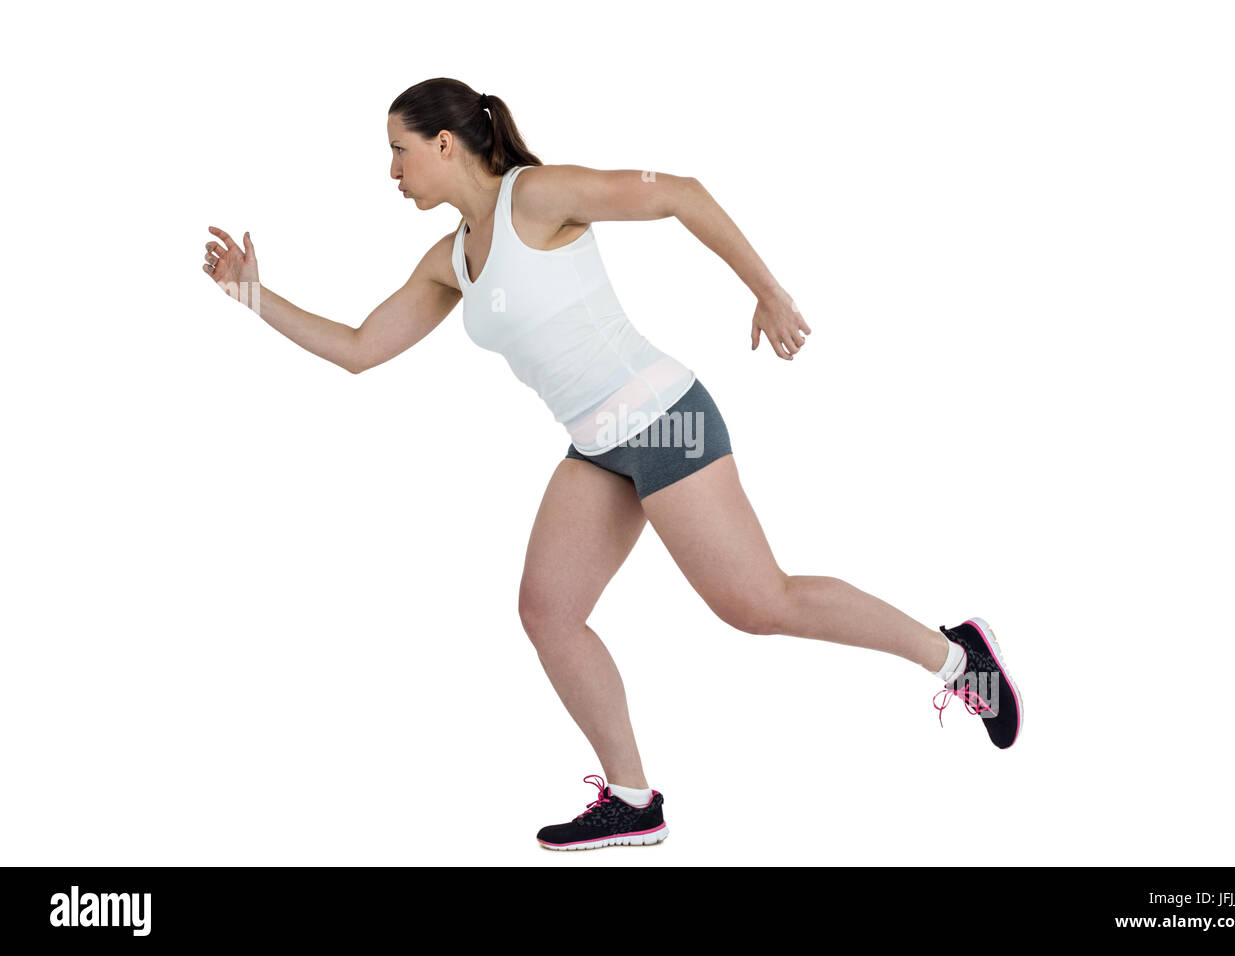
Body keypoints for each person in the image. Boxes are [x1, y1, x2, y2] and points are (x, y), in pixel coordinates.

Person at [201, 77, 1024, 851]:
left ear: (445, 143)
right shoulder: (451, 258)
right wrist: (251, 294)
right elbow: (357, 349)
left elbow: (679, 193)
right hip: (597, 444)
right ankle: (633, 801)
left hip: (661, 418)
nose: (391, 171)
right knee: (547, 612)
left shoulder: (538, 194)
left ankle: (957, 656)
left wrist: (766, 291)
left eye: (399, 151)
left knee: (755, 603)